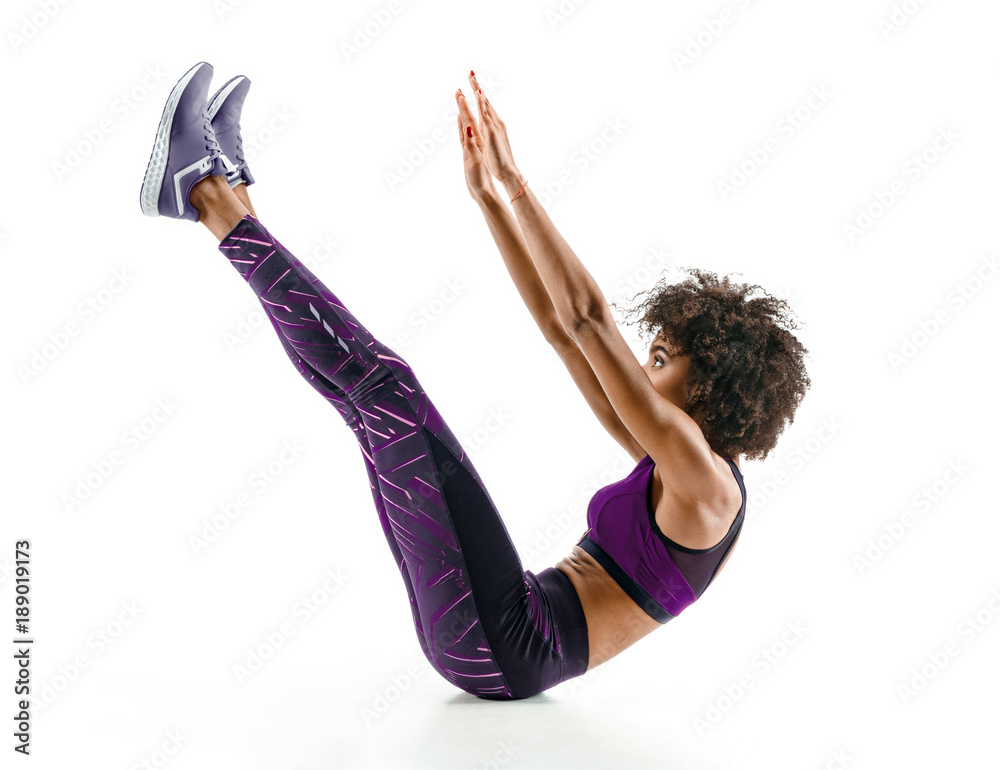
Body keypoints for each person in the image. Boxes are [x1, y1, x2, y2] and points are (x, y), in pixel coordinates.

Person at [139, 62, 811, 701]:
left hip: (499, 642)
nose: (642, 367)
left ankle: (202, 194)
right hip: (494, 632)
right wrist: (489, 199)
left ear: (707, 390)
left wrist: (517, 182)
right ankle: (225, 194)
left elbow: (587, 319)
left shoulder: (705, 485)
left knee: (388, 391)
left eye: (660, 360)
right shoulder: (670, 466)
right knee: (371, 401)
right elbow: (559, 328)